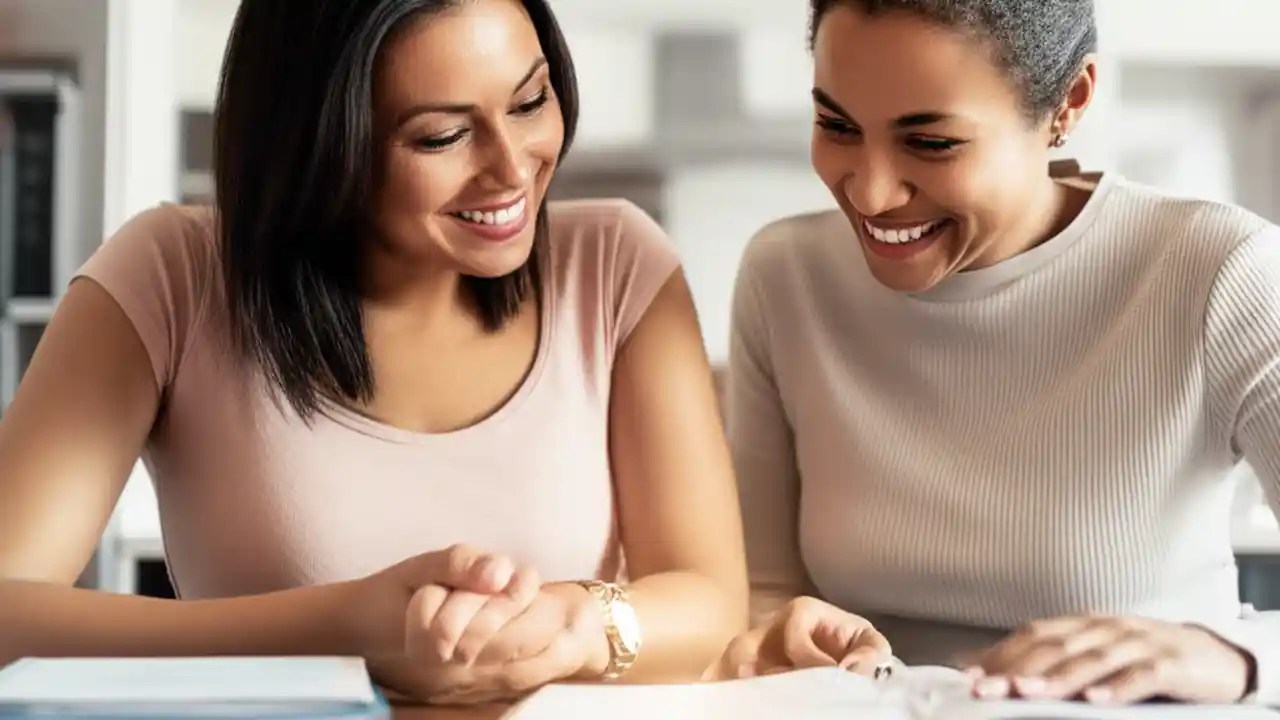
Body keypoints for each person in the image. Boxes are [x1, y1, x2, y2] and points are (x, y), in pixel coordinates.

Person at [0, 0, 747, 705]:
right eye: (442, 136)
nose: (514, 168)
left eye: (529, 101)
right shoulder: (171, 277)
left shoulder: (616, 265)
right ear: (319, 140)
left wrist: (578, 627)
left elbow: (711, 600)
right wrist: (346, 631)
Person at [710, 0, 1280, 708]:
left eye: (933, 143)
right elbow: (760, 591)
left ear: (1068, 103)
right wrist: (780, 635)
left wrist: (1237, 656)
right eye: (837, 126)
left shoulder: (1219, 272)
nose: (871, 191)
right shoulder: (784, 275)